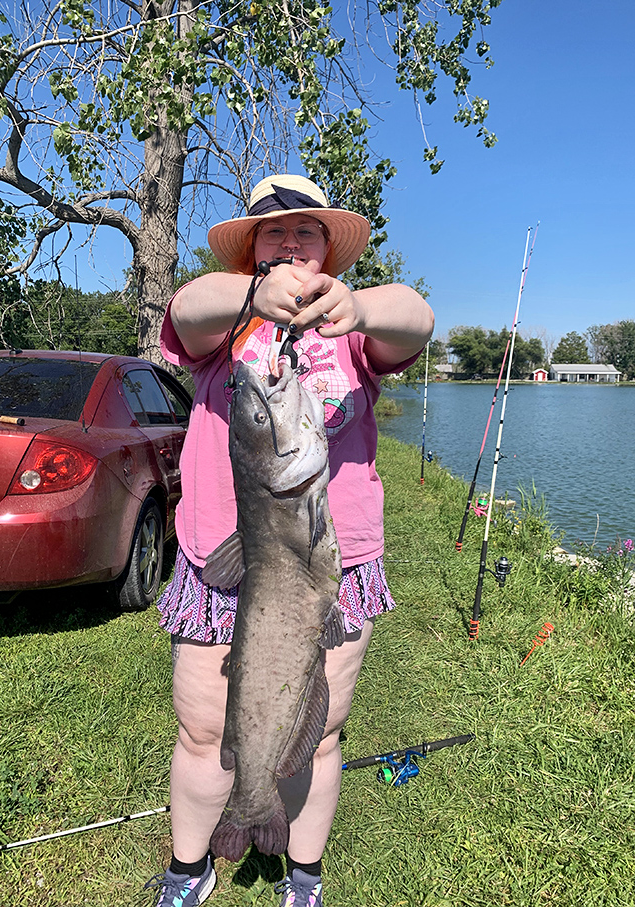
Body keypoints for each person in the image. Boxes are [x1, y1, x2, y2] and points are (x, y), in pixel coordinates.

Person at [144, 174, 434, 907]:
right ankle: (190, 865)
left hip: (329, 572)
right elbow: (185, 307)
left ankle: (303, 878)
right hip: (222, 565)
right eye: (273, 233)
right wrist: (248, 298)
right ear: (251, 251)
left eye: (307, 231)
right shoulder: (224, 325)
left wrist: (360, 306)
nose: (291, 242)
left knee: (322, 730)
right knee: (206, 728)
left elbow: (418, 318)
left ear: (328, 250)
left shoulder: (355, 326)